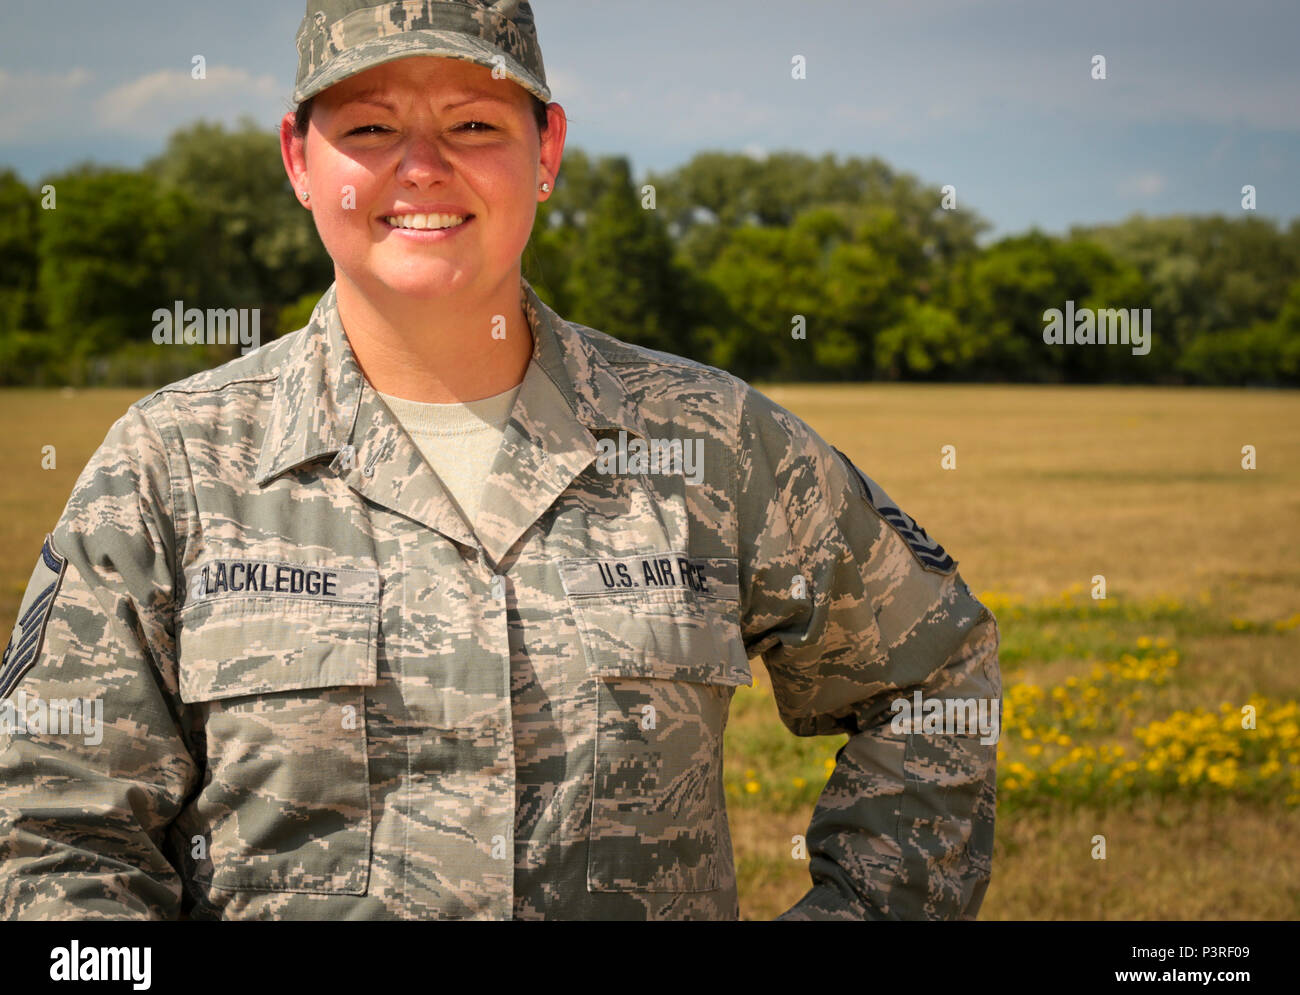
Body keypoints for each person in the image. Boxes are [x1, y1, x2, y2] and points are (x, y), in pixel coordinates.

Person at [0, 0, 1001, 920]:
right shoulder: (169, 466)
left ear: (546, 150)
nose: (422, 166)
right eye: (370, 128)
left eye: (474, 124)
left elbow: (934, 674)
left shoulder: (712, 441)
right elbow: (53, 830)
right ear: (298, 160)